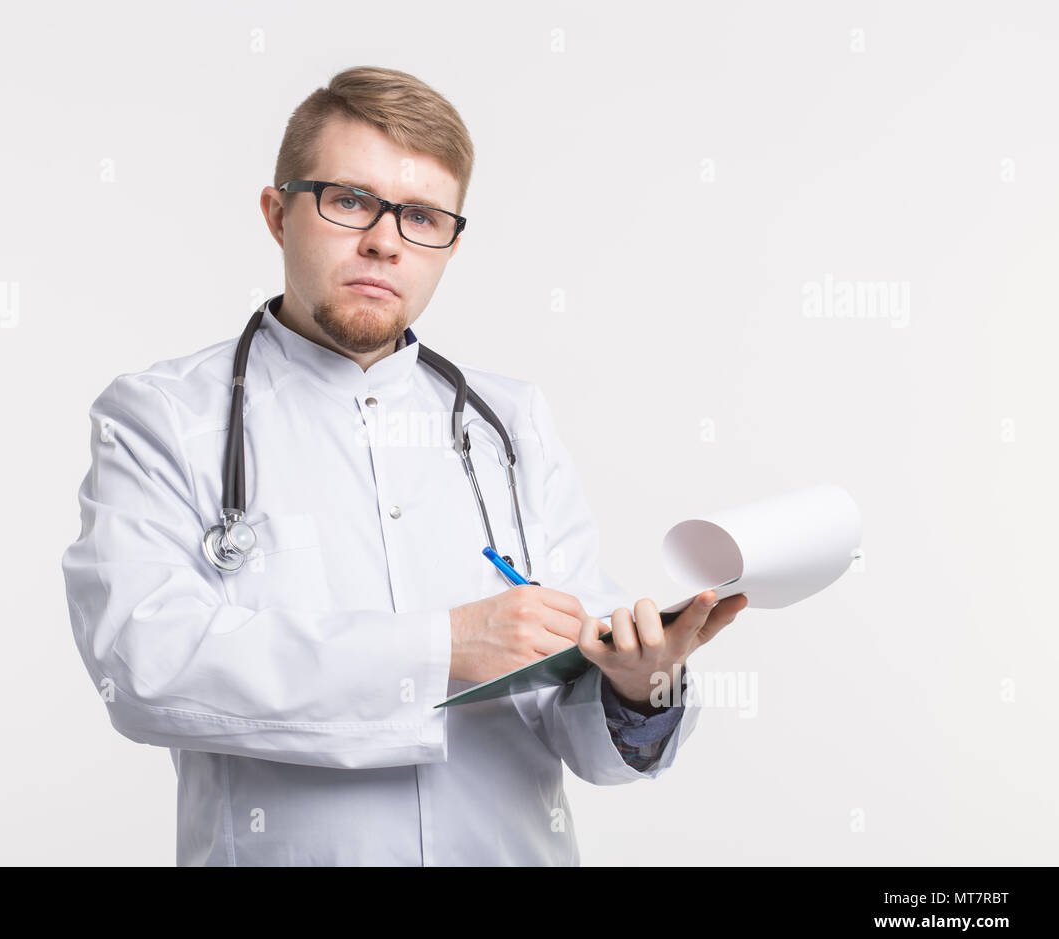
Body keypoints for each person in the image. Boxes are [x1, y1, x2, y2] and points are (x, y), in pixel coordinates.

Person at [61, 65, 747, 866]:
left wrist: (637, 686)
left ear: (450, 245)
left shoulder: (511, 424)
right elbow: (147, 669)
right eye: (350, 200)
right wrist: (442, 647)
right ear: (278, 214)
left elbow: (577, 730)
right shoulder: (163, 415)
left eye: (421, 217)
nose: (385, 240)